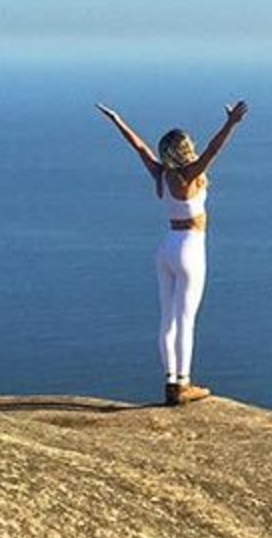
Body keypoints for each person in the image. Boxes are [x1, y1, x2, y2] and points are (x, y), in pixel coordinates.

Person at [96, 100, 249, 406]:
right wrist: (231, 123)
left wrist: (117, 120)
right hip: (190, 249)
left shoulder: (161, 175)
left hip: (166, 247)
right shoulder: (189, 175)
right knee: (186, 320)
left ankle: (169, 382)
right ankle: (184, 383)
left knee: (167, 318)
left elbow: (139, 147)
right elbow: (213, 149)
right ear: (184, 149)